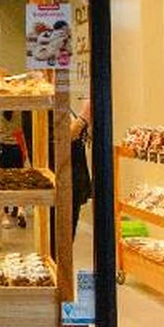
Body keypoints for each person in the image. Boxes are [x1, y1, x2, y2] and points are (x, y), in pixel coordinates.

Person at [69, 100, 94, 238]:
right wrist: (84, 117)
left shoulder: (63, 107)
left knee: (69, 231)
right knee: (63, 234)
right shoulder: (48, 108)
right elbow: (61, 139)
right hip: (65, 179)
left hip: (75, 177)